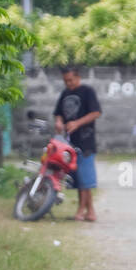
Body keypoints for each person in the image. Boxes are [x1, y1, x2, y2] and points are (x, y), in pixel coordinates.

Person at [53, 65, 102, 222]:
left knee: (85, 178)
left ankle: (83, 210)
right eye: (66, 81)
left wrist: (77, 123)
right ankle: (89, 211)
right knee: (78, 179)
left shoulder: (87, 91)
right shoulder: (65, 93)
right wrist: (59, 122)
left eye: (71, 80)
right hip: (69, 144)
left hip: (86, 141)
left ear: (78, 77)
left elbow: (96, 112)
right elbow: (58, 113)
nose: (69, 83)